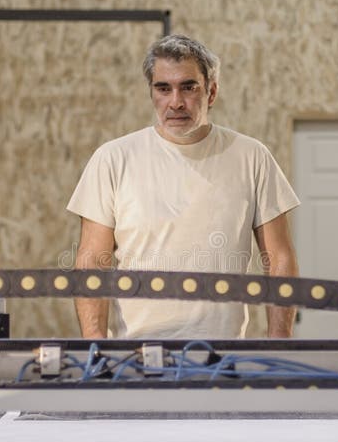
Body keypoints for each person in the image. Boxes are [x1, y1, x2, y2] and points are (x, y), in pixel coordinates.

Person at [66, 34, 300, 340]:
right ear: (152, 92)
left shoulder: (252, 157)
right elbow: (92, 263)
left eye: (188, 87)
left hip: (223, 353)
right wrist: (95, 344)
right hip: (137, 353)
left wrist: (279, 343)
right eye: (163, 88)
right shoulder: (113, 159)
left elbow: (279, 258)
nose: (175, 102)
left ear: (211, 92)